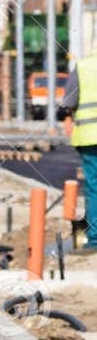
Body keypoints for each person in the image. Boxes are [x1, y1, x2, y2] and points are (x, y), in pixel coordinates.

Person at [59, 54, 97, 252]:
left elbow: (67, 104)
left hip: (90, 137)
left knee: (94, 189)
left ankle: (95, 239)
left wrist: (65, 116)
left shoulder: (83, 67)